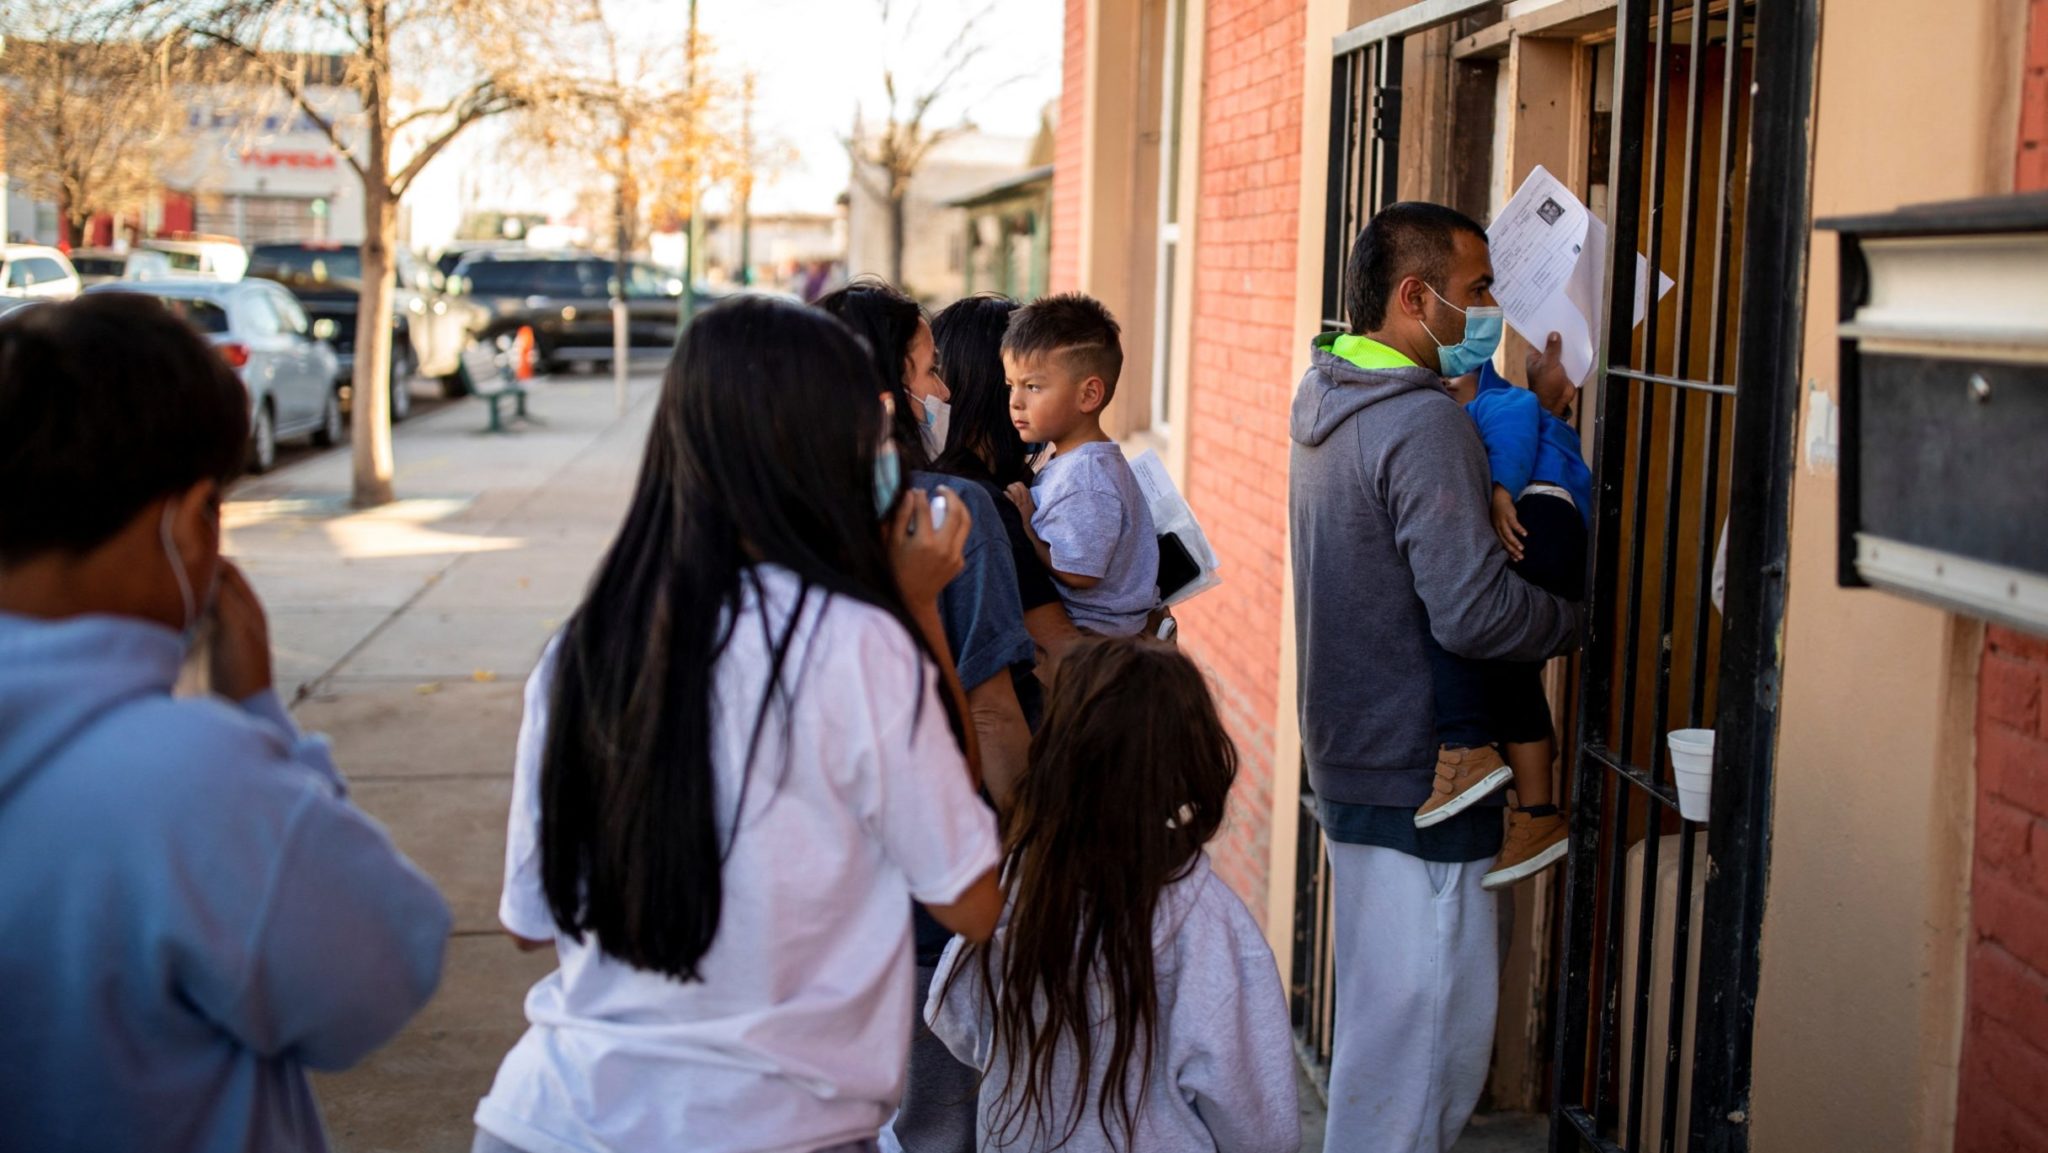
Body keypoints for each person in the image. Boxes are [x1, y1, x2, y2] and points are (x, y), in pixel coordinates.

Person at [473, 298, 1004, 1153]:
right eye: (871, 416)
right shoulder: (856, 643)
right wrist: (918, 612)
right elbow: (972, 901)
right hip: (773, 1127)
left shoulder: (588, 645)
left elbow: (530, 919)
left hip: (548, 1117)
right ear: (819, 447)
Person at [0, 294, 451, 1150]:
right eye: (217, 511)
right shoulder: (187, 777)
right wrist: (260, 720)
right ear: (184, 519)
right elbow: (386, 970)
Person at [1289, 202, 1581, 1152]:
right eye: (1478, 288)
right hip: (1428, 780)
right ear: (1415, 297)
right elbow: (1473, 612)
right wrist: (1573, 620)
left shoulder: (1330, 394)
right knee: (1420, 1076)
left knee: (1385, 1053)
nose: (1491, 307)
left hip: (1357, 760)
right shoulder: (1420, 424)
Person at [927, 636, 1299, 1153]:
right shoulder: (1215, 927)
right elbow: (1262, 1128)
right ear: (1192, 762)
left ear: (1059, 748)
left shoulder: (1017, 884)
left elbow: (951, 1017)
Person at [818, 281, 1036, 1153]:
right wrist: (1032, 848)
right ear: (890, 395)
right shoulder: (953, 514)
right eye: (930, 368)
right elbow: (993, 717)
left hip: (816, 911)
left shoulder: (783, 523)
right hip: (933, 906)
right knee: (941, 1125)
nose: (945, 390)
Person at [1420, 349, 1591, 890]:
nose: (1444, 388)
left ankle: (1466, 748)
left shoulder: (1502, 401)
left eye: (1450, 382)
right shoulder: (1509, 409)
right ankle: (1538, 815)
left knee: (1453, 607)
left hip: (1540, 515)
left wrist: (1499, 493)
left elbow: (1517, 424)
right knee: (1511, 667)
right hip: (1557, 541)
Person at [930, 293, 1085, 701]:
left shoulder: (934, 483)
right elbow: (1064, 660)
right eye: (1032, 384)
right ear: (998, 393)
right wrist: (1148, 637)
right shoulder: (987, 504)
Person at [999, 294, 1159, 639]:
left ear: (1088, 395)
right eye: (1011, 385)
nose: (1015, 401)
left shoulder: (1087, 477)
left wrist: (1026, 530)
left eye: (1033, 386)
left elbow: (1080, 573)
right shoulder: (1076, 461)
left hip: (1097, 641)